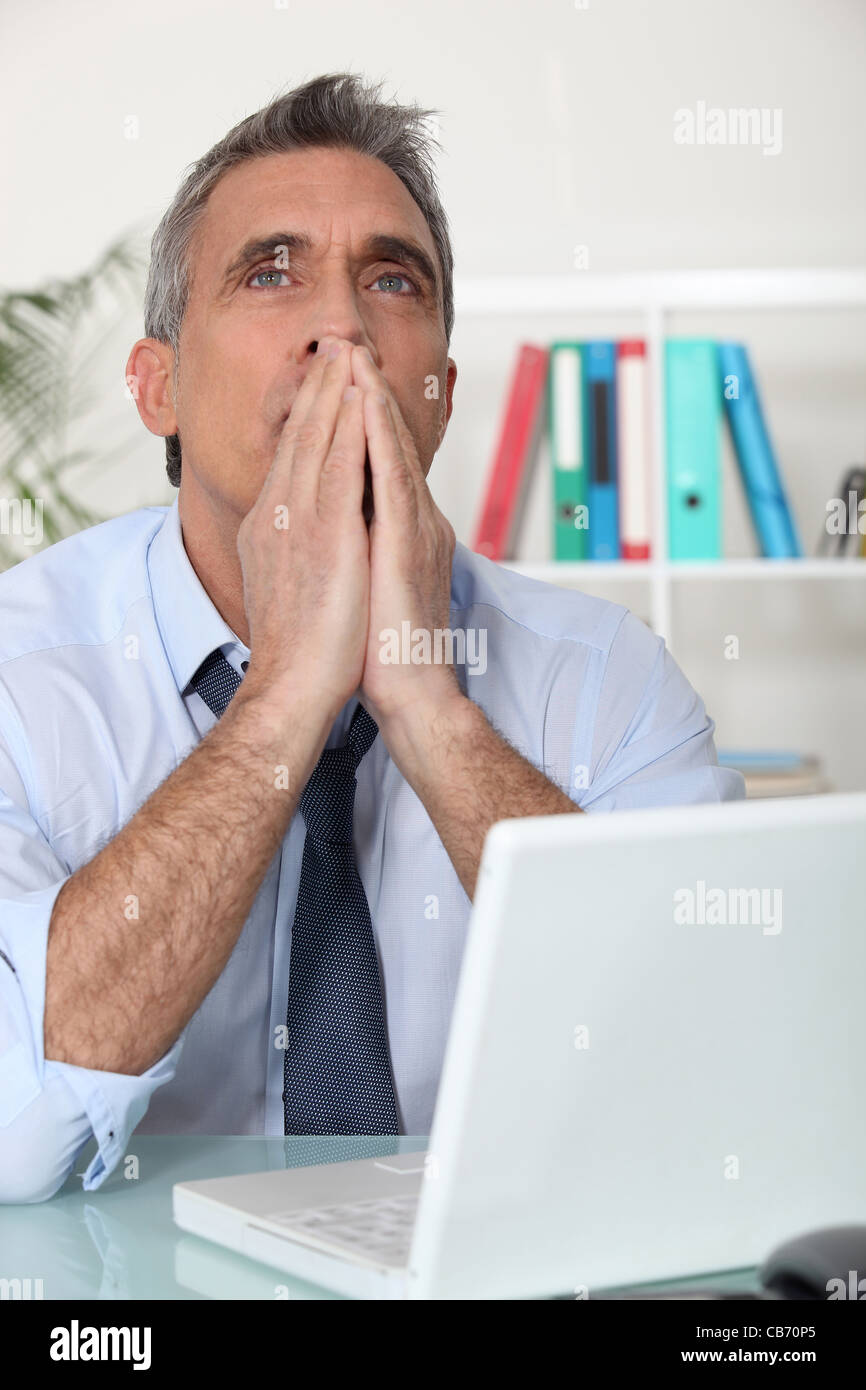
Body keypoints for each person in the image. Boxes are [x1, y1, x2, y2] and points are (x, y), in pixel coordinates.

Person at [0, 72, 743, 1204]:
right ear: (157, 389)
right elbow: (11, 1135)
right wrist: (284, 703)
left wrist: (430, 712)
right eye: (270, 272)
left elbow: (713, 1084)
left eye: (391, 280)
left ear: (439, 389)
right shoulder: (20, 676)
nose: (342, 327)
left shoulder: (609, 680)